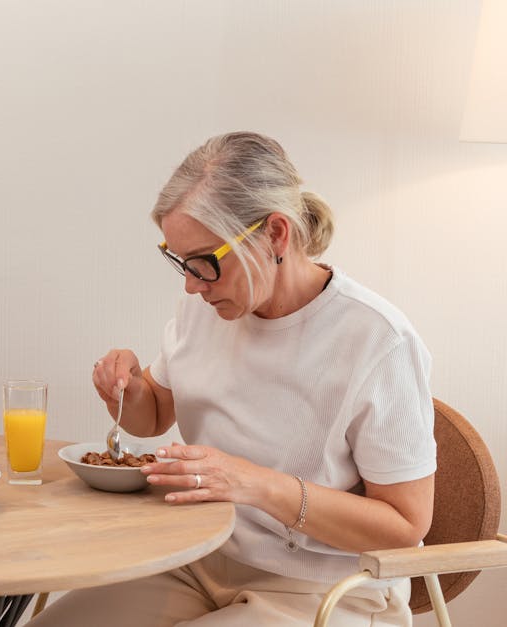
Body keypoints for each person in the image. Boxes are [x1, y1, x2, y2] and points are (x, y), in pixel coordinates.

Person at [31, 132, 435, 626]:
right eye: (180, 262)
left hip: (320, 588)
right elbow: (154, 414)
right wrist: (129, 390)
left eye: (205, 263)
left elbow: (405, 526)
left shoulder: (376, 339)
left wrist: (257, 485)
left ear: (276, 235)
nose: (190, 284)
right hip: (195, 559)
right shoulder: (206, 308)